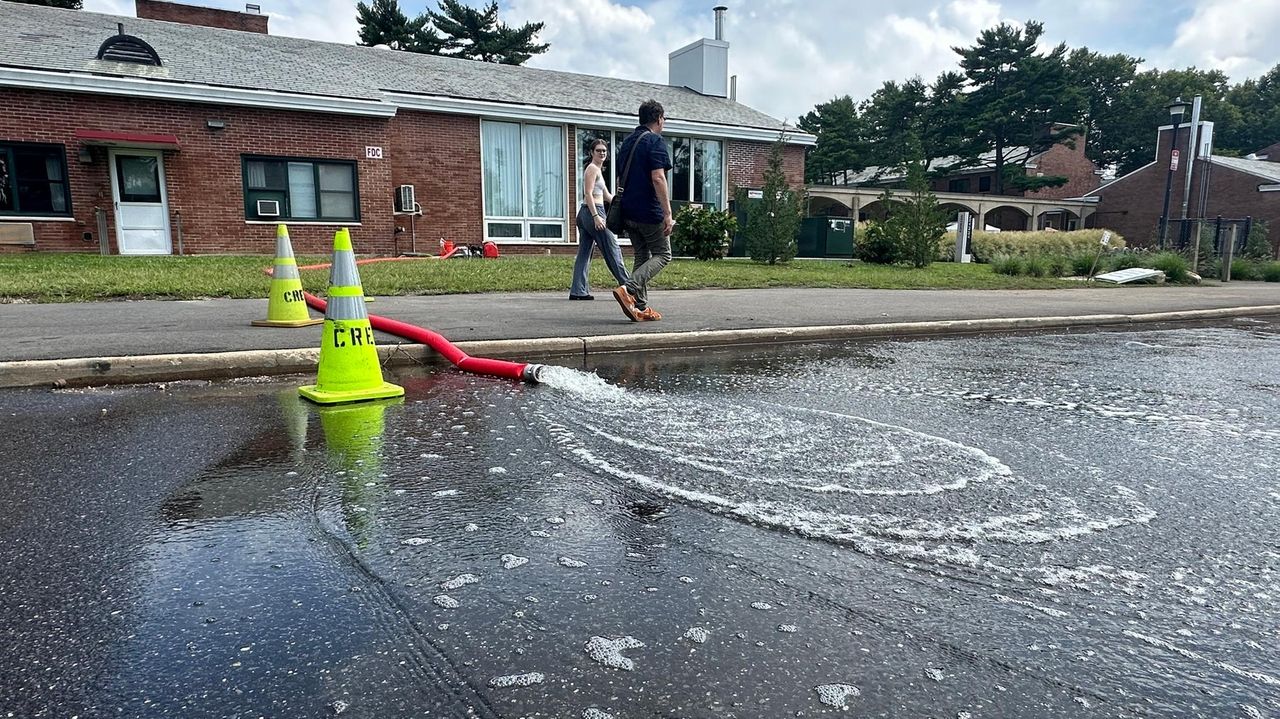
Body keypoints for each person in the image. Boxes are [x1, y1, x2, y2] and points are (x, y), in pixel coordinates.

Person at [611, 99, 673, 322]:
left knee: (641, 255)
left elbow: (620, 178)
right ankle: (628, 289)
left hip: (628, 211)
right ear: (658, 118)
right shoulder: (655, 141)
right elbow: (658, 177)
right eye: (663, 119)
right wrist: (668, 214)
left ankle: (640, 307)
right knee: (663, 255)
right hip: (648, 212)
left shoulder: (626, 143)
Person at [570, 138, 630, 300]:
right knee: (612, 249)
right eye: (598, 150)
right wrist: (596, 217)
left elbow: (608, 197)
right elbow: (588, 193)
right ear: (591, 153)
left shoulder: (597, 170)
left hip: (587, 214)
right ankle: (630, 287)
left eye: (604, 151)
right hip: (592, 213)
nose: (602, 153)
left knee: (584, 253)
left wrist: (623, 203)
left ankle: (578, 291)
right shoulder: (591, 169)